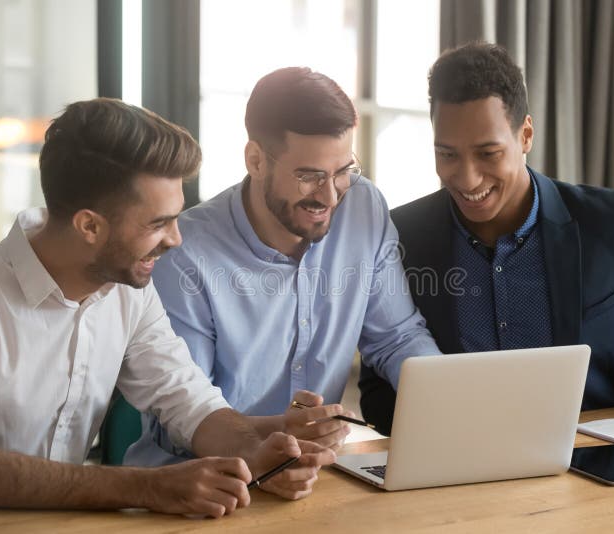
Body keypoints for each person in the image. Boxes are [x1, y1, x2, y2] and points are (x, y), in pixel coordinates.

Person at [0, 98, 334, 517]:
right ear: (89, 225)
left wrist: (258, 453)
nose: (175, 239)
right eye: (158, 223)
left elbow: (190, 403)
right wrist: (149, 487)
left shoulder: (128, 291)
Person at [359, 42, 614, 434]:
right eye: (447, 155)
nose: (467, 178)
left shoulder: (612, 226)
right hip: (462, 464)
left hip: (599, 463)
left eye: (488, 153)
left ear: (525, 135)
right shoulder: (403, 238)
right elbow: (378, 393)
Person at [124, 67, 440, 467]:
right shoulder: (185, 253)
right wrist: (273, 438)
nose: (330, 197)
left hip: (314, 475)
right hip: (199, 480)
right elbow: (179, 417)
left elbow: (396, 337)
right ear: (256, 160)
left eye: (343, 172)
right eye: (310, 176)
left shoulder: (363, 206)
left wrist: (450, 399)